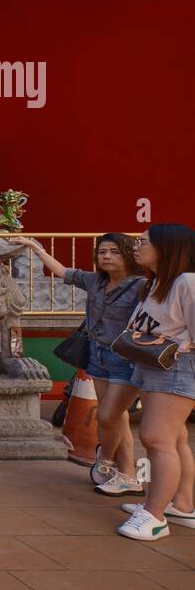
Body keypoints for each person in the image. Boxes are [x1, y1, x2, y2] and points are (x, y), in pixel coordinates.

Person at [12, 234, 145, 495]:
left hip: (124, 357)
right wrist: (34, 248)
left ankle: (105, 459)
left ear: (128, 255)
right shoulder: (95, 281)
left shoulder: (141, 286)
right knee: (117, 417)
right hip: (97, 354)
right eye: (102, 252)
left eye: (115, 252)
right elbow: (62, 271)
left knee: (110, 415)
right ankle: (127, 473)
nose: (106, 256)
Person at [116, 223, 195, 541]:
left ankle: (155, 515)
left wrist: (177, 345)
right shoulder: (158, 282)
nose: (135, 246)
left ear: (168, 247)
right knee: (174, 440)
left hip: (174, 367)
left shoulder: (187, 282)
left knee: (156, 439)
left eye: (142, 241)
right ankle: (182, 504)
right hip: (152, 365)